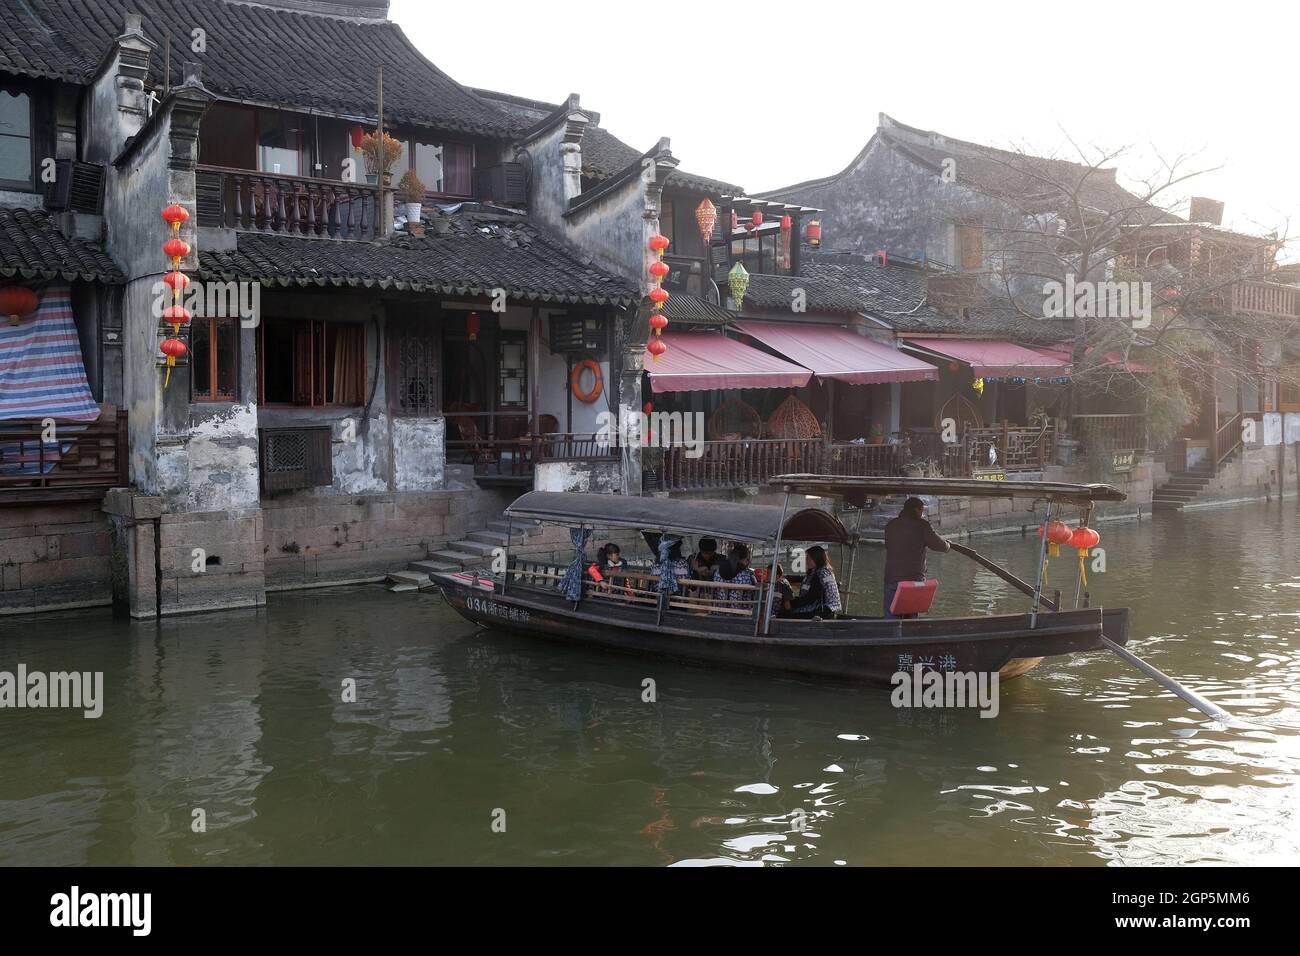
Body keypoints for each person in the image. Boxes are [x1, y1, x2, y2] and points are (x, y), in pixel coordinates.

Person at [883, 497, 950, 619]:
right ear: (916, 509)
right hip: (913, 580)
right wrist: (948, 545)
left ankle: (892, 636)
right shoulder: (922, 525)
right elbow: (940, 545)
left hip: (892, 579)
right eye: (921, 510)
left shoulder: (891, 525)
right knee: (911, 618)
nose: (922, 514)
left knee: (890, 619)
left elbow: (888, 545)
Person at [788, 546, 842, 619]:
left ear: (816, 559)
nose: (806, 560)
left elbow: (811, 597)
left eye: (808, 558)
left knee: (788, 613)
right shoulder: (825, 571)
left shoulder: (820, 574)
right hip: (831, 609)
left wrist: (792, 603)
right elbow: (805, 579)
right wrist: (786, 577)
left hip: (823, 611)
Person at [713, 543, 757, 610]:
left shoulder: (717, 572)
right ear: (743, 559)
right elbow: (754, 594)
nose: (748, 562)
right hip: (741, 613)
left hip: (719, 610)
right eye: (747, 559)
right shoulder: (747, 575)